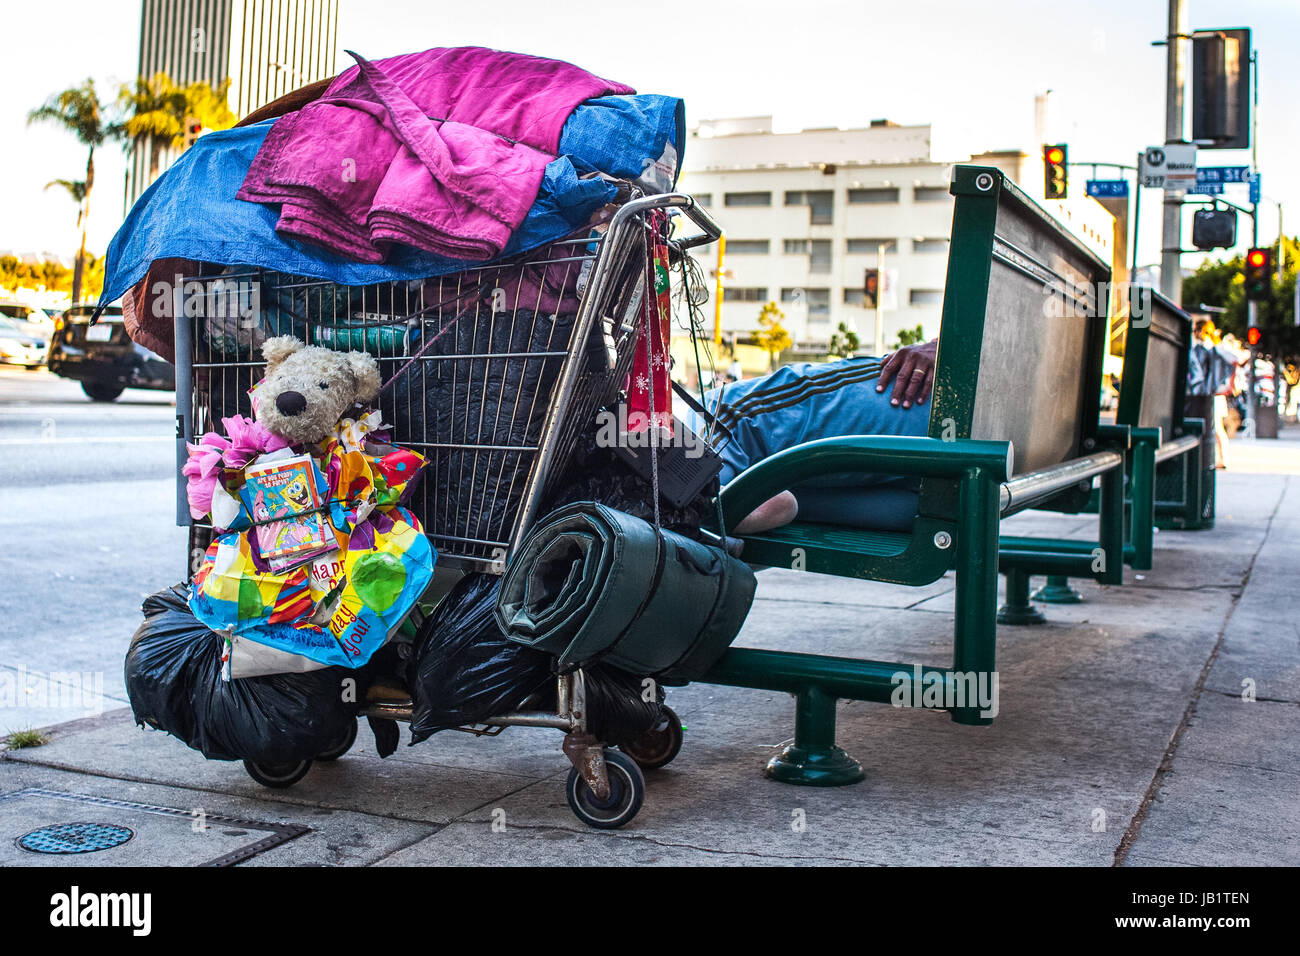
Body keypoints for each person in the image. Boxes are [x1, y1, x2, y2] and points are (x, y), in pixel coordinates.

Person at [684, 340, 937, 534]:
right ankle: (709, 509)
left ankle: (685, 503)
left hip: (941, 397)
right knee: (769, 492)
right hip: (954, 498)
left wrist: (946, 344)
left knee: (723, 409)